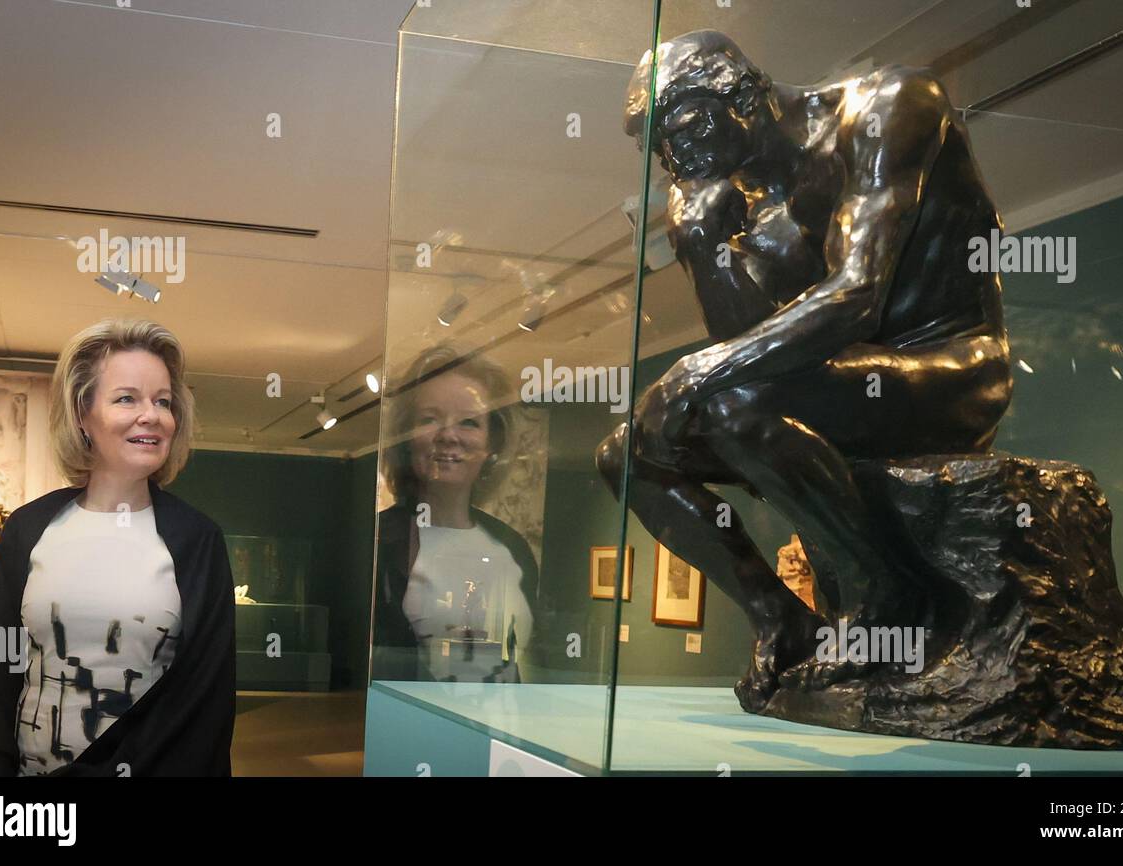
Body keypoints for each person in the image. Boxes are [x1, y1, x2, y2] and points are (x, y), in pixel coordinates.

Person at [599, 30, 1013, 712]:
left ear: (745, 94)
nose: (679, 158)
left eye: (684, 127)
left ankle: (887, 589)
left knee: (726, 399)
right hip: (847, 381)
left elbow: (857, 296)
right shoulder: (743, 203)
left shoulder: (888, 105)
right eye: (661, 149)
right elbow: (754, 344)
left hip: (952, 367)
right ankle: (783, 621)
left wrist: (695, 374)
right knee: (628, 454)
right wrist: (705, 248)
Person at [0, 317, 235, 776]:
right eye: (127, 398)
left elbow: (205, 700)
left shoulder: (197, 540)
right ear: (83, 414)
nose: (152, 415)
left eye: (163, 401)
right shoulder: (27, 529)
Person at [372, 346, 536, 684]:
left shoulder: (512, 549)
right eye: (430, 419)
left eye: (469, 422)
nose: (448, 435)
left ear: (492, 445)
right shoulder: (376, 541)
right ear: (406, 437)